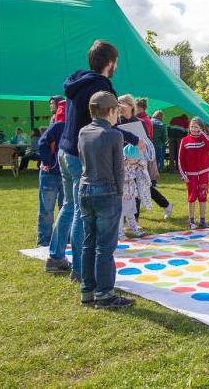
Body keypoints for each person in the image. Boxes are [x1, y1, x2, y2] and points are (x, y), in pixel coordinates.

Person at [56, 40, 143, 283]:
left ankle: (56, 256)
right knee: (81, 215)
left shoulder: (77, 80)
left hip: (66, 148)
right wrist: (133, 138)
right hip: (82, 154)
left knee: (69, 207)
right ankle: (81, 270)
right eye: (115, 62)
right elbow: (108, 124)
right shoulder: (102, 89)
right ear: (110, 63)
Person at [78, 91, 133, 309]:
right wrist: (120, 193)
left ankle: (87, 290)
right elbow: (118, 169)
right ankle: (104, 294)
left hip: (85, 189)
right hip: (106, 192)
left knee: (88, 243)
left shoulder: (83, 132)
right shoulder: (114, 135)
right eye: (117, 111)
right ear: (110, 112)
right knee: (105, 247)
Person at [118, 95, 173, 221]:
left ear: (131, 106)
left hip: (137, 160)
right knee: (133, 188)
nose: (119, 108)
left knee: (138, 187)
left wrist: (137, 154)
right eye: (118, 105)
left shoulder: (140, 122)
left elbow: (146, 142)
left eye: (121, 104)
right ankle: (166, 205)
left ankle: (134, 219)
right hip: (122, 160)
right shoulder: (116, 122)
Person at [37, 101, 65, 253]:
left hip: (65, 174)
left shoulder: (74, 127)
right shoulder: (58, 126)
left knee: (64, 208)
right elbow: (42, 143)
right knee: (47, 209)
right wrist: (48, 162)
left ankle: (62, 239)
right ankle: (44, 241)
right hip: (51, 173)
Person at [178, 117, 209, 229]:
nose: (194, 129)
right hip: (190, 175)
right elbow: (180, 159)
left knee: (203, 196)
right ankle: (191, 220)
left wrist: (202, 134)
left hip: (203, 174)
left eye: (196, 127)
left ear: (201, 128)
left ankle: (202, 220)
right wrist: (184, 175)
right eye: (192, 127)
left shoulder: (204, 139)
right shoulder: (185, 140)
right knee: (192, 197)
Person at [119, 144, 152, 238]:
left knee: (131, 212)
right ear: (129, 157)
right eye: (136, 158)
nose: (137, 160)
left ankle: (135, 230)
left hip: (131, 191)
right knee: (120, 214)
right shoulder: (121, 164)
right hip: (122, 192)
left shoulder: (135, 163)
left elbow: (142, 171)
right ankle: (120, 233)